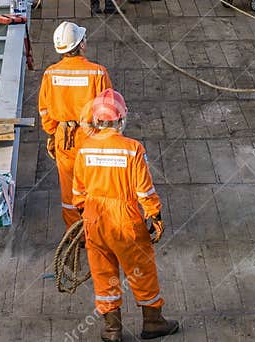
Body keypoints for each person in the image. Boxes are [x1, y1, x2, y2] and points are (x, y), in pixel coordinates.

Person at [72, 89, 179, 342]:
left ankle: (112, 331)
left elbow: (77, 193)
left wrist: (87, 217)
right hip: (124, 218)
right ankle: (152, 323)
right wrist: (155, 216)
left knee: (103, 272)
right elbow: (144, 190)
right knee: (141, 269)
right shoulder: (132, 149)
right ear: (121, 120)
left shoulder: (84, 150)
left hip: (94, 218)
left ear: (96, 120)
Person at [38, 22, 112, 228]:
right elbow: (107, 110)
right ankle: (96, 227)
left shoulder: (50, 74)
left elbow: (44, 109)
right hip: (92, 136)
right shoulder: (97, 73)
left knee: (69, 187)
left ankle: (74, 231)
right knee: (95, 183)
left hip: (64, 137)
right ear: (81, 45)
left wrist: (53, 133)